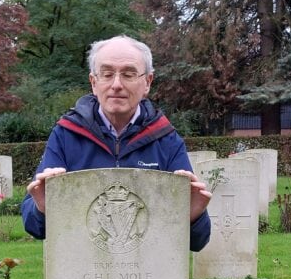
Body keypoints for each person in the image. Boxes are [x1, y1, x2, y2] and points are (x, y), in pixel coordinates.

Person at [21, 35, 212, 250]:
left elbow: (197, 242)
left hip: (147, 276)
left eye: (128, 74)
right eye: (107, 74)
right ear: (94, 82)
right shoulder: (66, 134)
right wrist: (43, 209)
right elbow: (33, 226)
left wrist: (194, 217)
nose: (116, 85)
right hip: (84, 274)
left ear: (147, 82)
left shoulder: (166, 139)